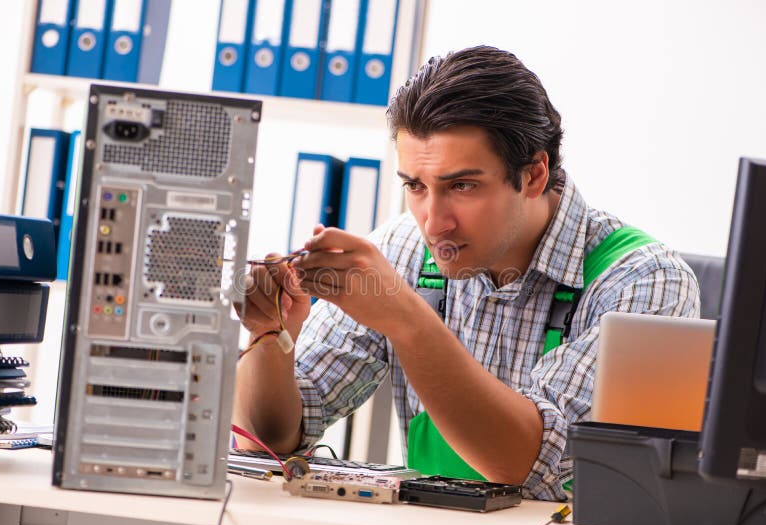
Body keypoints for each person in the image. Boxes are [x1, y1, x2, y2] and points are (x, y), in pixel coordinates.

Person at [232, 45, 700, 500]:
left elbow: (529, 466)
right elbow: (269, 442)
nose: (433, 223)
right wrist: (271, 339)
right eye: (416, 186)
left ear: (534, 174)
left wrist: (406, 319)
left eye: (462, 185)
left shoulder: (647, 283)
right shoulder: (402, 249)